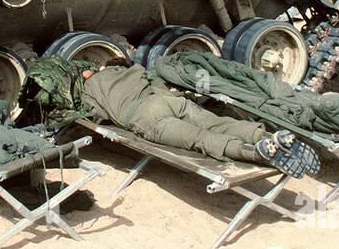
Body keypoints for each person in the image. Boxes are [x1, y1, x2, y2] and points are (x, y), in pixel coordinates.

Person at [78, 62, 299, 172]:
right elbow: (155, 81)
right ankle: (267, 135)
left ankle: (255, 154)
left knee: (198, 138)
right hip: (167, 101)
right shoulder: (129, 69)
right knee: (217, 122)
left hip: (144, 117)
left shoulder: (90, 86)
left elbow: (98, 115)